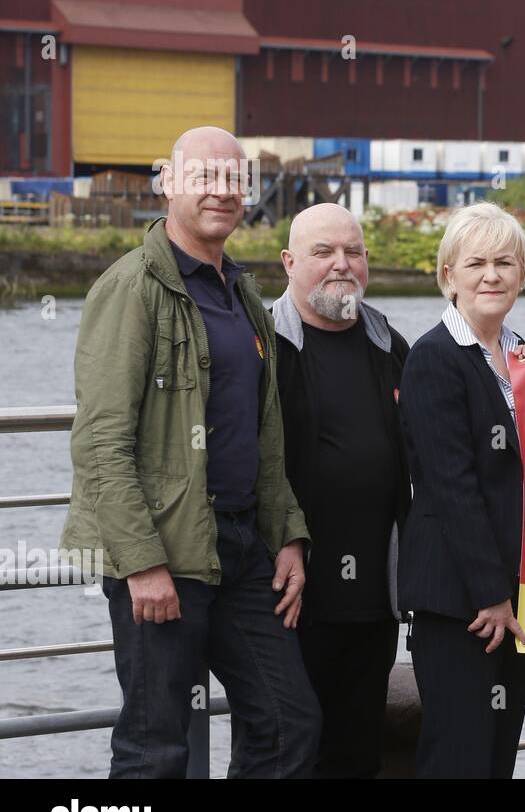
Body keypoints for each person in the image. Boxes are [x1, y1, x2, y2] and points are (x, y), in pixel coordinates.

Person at [62, 126, 320, 778]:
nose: (221, 191)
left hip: (239, 548)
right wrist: (141, 562)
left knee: (290, 723)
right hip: (162, 552)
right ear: (169, 183)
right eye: (204, 176)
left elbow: (264, 435)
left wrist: (287, 535)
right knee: (156, 746)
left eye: (235, 179)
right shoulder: (133, 289)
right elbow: (101, 440)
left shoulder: (243, 294)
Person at [398, 202, 525, 778]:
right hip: (462, 603)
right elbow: (450, 486)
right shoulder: (434, 358)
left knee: (498, 755)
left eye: (505, 262)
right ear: (448, 276)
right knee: (458, 758)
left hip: (515, 598)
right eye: (475, 262)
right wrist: (490, 594)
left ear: (522, 274)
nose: (492, 275)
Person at [272, 202, 410, 778]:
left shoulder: (392, 347)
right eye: (323, 252)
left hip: (373, 594)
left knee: (356, 750)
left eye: (352, 252)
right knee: (285, 746)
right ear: (288, 262)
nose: (341, 265)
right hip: (285, 592)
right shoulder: (262, 348)